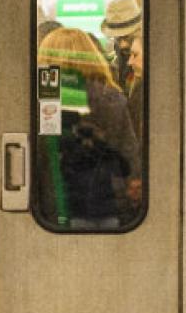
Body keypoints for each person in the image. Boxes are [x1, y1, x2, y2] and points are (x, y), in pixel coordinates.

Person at [36, 27, 140, 230]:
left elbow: (42, 158)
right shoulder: (114, 99)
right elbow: (130, 155)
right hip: (109, 204)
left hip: (58, 207)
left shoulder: (46, 102)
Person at [100, 0, 142, 90]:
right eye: (117, 38)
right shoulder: (117, 49)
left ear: (140, 30)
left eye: (127, 37)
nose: (122, 45)